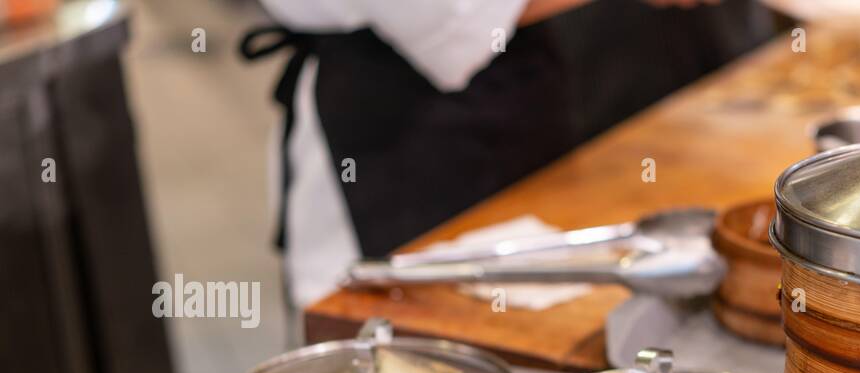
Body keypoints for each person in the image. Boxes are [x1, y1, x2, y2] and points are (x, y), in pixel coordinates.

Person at [241, 0, 775, 314]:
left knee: (532, 307)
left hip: (515, 92)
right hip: (390, 128)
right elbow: (442, 17)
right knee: (416, 361)